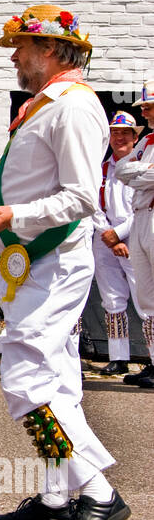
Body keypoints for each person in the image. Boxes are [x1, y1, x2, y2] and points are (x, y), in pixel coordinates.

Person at [0, 4, 130, 520]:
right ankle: (56, 499)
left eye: (21, 46)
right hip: (37, 262)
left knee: (26, 378)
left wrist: (15, 217)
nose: (14, 57)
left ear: (49, 51)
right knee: (59, 379)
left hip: (54, 259)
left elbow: (82, 197)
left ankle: (98, 492)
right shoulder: (47, 106)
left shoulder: (74, 107)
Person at [90, 111, 143, 376]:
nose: (119, 137)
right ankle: (118, 357)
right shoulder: (102, 167)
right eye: (115, 132)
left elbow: (142, 207)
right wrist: (109, 235)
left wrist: (120, 234)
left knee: (145, 299)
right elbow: (93, 204)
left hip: (136, 237)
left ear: (136, 136)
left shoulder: (142, 164)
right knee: (112, 299)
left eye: (125, 133)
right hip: (105, 238)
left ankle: (153, 361)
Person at [114, 81, 154, 389]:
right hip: (140, 217)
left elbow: (136, 174)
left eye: (149, 107)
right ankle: (153, 361)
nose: (145, 111)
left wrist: (139, 173)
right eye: (143, 107)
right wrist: (142, 172)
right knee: (146, 296)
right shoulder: (145, 142)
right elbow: (121, 171)